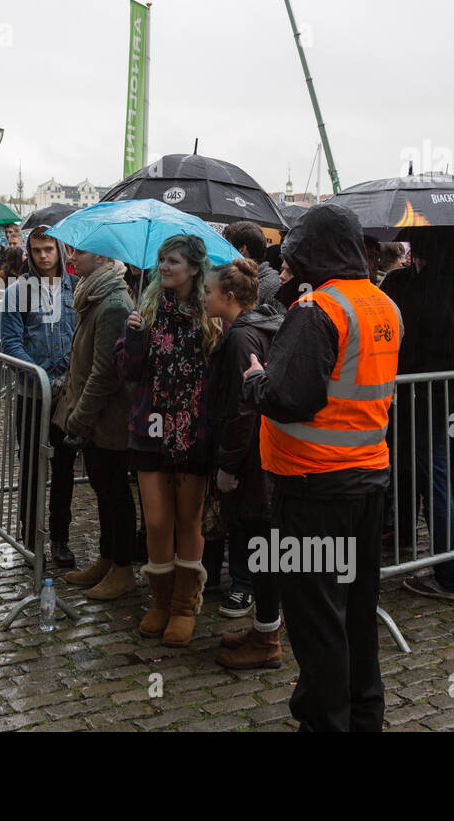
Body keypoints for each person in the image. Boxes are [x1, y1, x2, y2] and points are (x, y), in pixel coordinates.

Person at [242, 203, 400, 731]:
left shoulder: (320, 310)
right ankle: (362, 719)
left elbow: (291, 397)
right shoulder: (382, 306)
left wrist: (255, 378)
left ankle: (324, 722)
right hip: (366, 481)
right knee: (357, 613)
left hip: (313, 488)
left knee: (316, 621)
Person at [115, 234, 220, 647]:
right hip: (150, 428)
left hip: (193, 430)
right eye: (160, 260)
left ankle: (183, 605)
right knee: (157, 520)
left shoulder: (210, 312)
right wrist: (135, 337)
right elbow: (127, 370)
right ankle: (159, 601)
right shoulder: (147, 308)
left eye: (172, 261)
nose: (163, 268)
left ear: (194, 268)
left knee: (187, 519)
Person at [383, 227, 454, 601]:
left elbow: (405, 346)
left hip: (428, 400)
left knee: (441, 486)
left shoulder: (415, 291)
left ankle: (451, 577)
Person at [204, 261, 285, 664]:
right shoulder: (258, 327)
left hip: (251, 459)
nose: (204, 298)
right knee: (260, 539)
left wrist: (228, 464)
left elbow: (242, 409)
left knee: (258, 539)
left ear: (229, 297)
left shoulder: (240, 338)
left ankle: (267, 637)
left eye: (209, 292)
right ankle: (263, 629)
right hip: (261, 454)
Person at [54, 248, 137, 597]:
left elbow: (105, 373)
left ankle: (122, 567)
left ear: (102, 259)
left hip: (109, 420)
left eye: (81, 252)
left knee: (115, 493)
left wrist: (79, 419)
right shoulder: (93, 292)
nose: (72, 258)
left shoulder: (114, 302)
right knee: (103, 490)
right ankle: (107, 557)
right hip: (96, 417)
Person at [1, 230, 78, 564]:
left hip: (68, 397)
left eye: (49, 249)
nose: (43, 256)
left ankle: (60, 537)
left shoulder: (76, 289)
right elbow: (12, 343)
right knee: (32, 469)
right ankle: (31, 536)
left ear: (60, 251)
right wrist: (42, 377)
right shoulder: (18, 292)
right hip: (33, 394)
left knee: (63, 470)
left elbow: (82, 336)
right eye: (37, 250)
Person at [223, 221, 280, 305]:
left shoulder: (269, 285)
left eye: (228, 247)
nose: (224, 252)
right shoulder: (241, 277)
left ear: (242, 250)